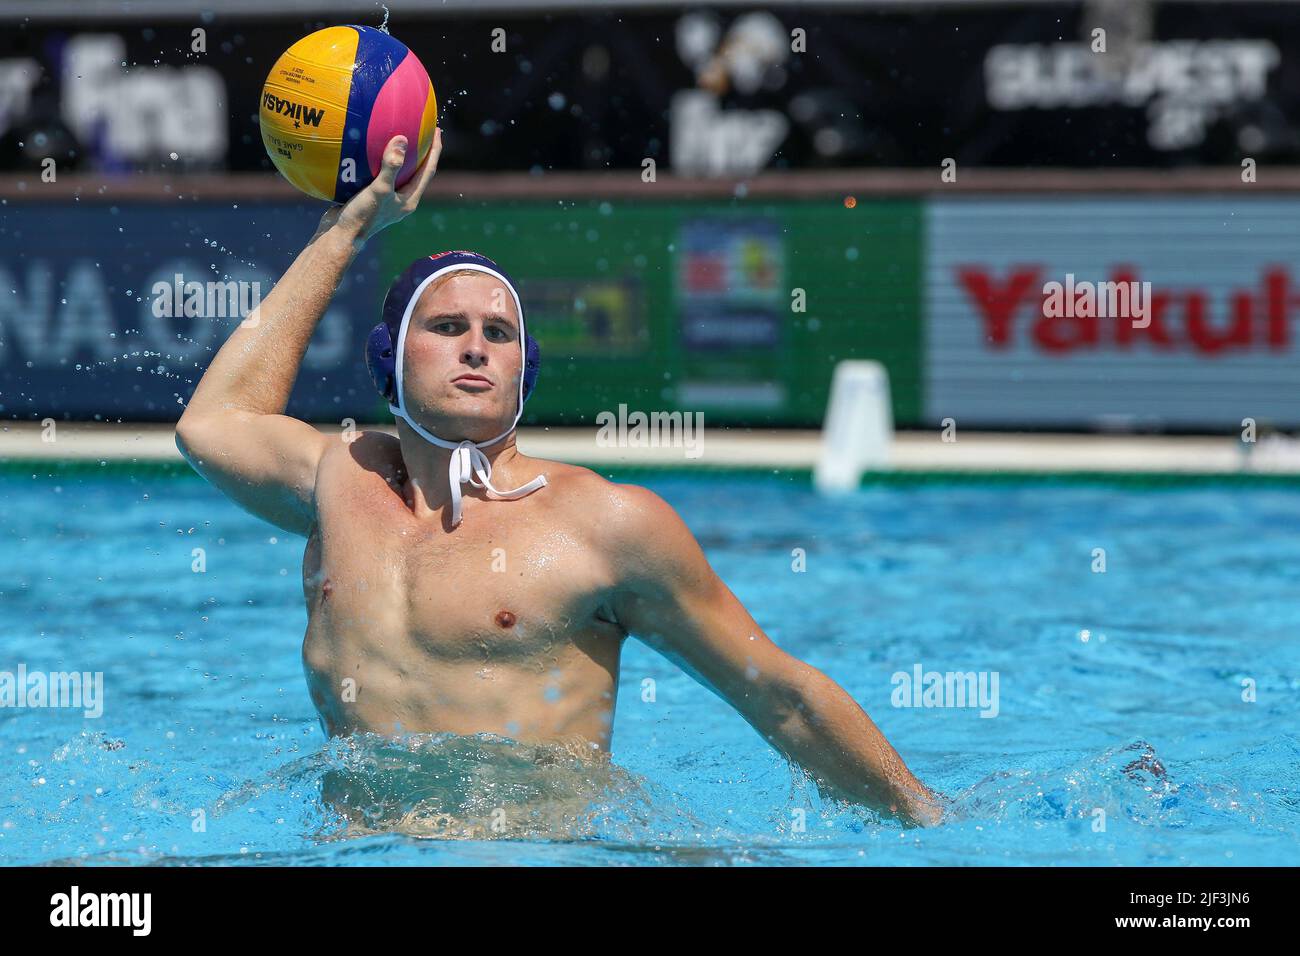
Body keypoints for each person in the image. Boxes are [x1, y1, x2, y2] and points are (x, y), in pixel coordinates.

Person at [176, 129, 944, 827]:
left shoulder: (604, 524)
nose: (476, 347)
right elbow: (209, 424)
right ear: (388, 361)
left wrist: (930, 826)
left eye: (498, 333)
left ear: (525, 371)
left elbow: (783, 701)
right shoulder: (339, 479)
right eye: (446, 328)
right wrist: (343, 232)